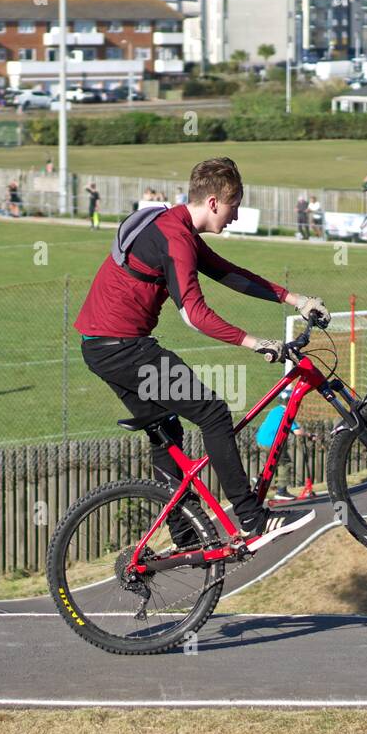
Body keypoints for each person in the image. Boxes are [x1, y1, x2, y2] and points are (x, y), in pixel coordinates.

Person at [73, 156, 328, 548]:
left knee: (166, 431)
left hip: (102, 346)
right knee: (212, 412)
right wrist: (254, 342)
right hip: (122, 348)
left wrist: (297, 299)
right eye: (234, 206)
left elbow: (232, 275)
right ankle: (250, 518)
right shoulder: (176, 239)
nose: (237, 216)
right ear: (213, 203)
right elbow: (194, 315)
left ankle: (186, 537)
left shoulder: (175, 226)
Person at [255, 388, 308, 500]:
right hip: (272, 442)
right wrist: (309, 435)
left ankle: (259, 481)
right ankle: (281, 491)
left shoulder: (275, 410)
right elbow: (297, 432)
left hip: (261, 440)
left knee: (270, 464)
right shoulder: (287, 412)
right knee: (285, 463)